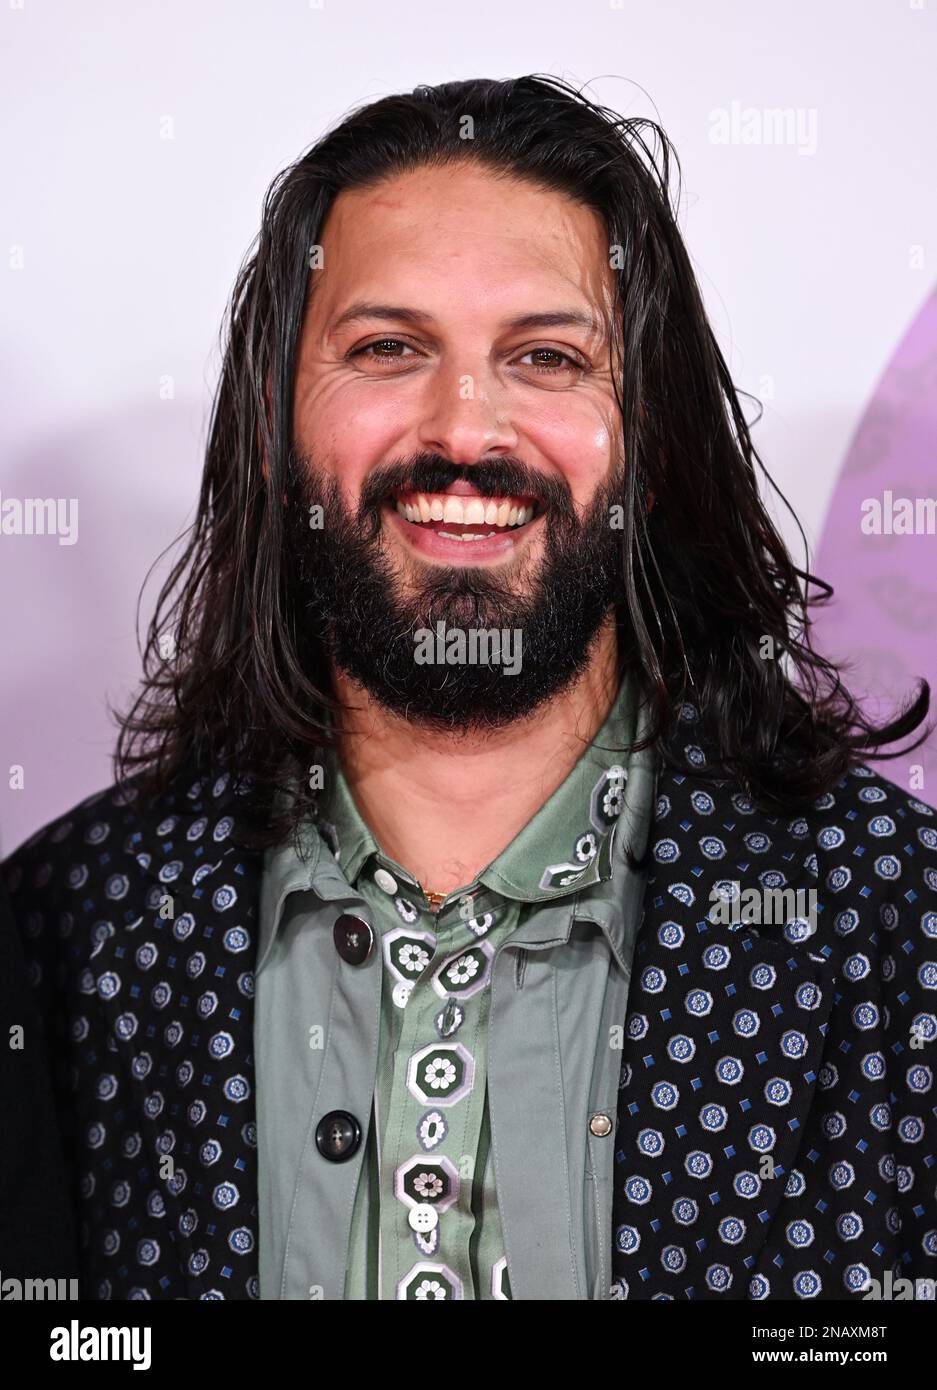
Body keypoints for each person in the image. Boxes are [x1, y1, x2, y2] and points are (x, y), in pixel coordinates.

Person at [3, 74, 935, 1302]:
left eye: (545, 357)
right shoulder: (62, 932)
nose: (464, 426)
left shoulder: (899, 931)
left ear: (649, 447)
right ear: (278, 438)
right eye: (388, 348)